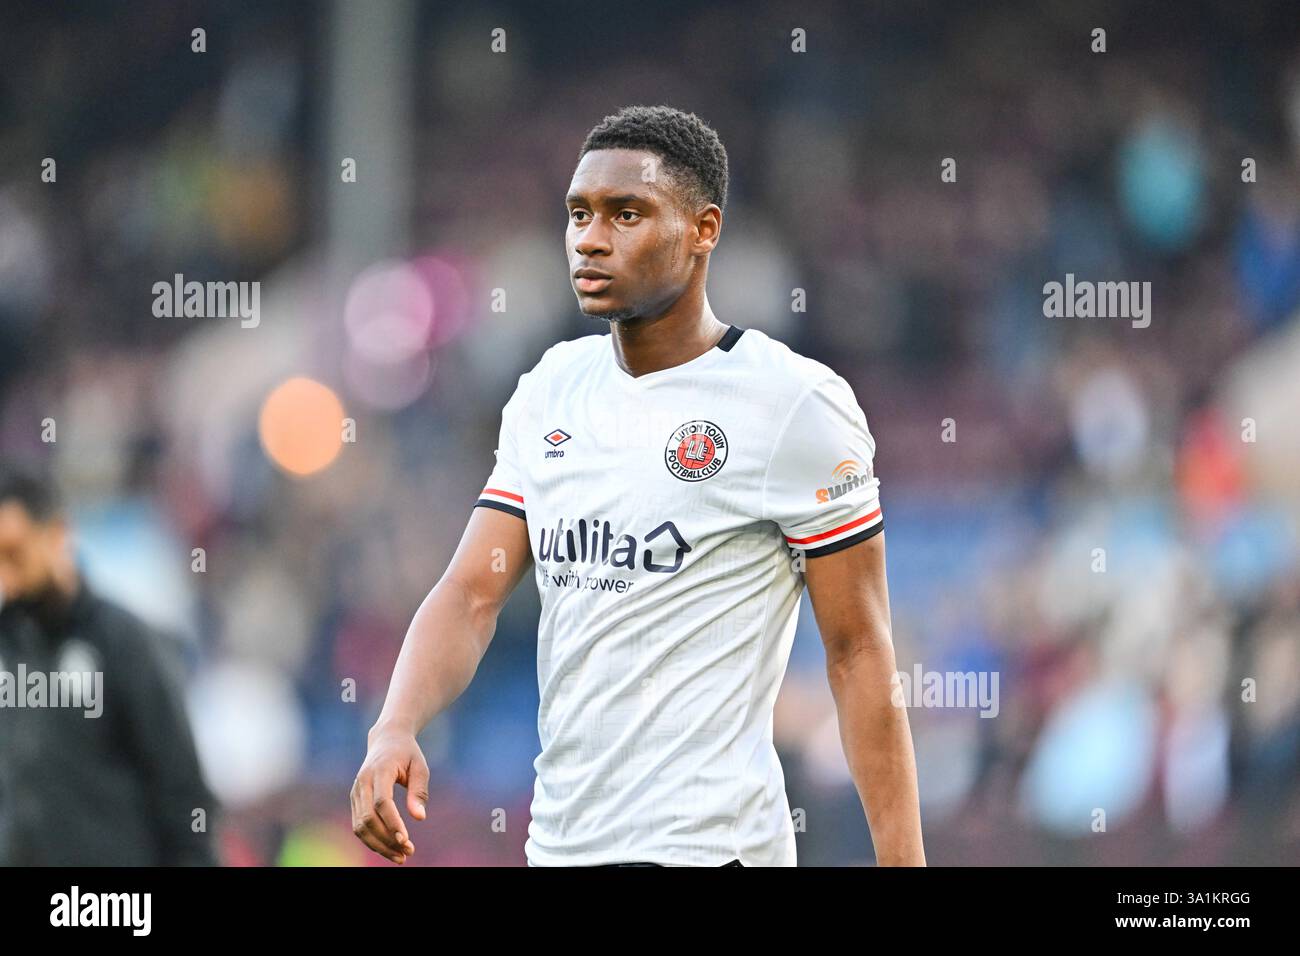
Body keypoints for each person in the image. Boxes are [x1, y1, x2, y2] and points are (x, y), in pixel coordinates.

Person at [352, 105, 925, 867]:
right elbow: (470, 594)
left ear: (704, 229)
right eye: (579, 214)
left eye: (627, 214)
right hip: (559, 848)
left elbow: (859, 653)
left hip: (713, 852)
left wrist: (903, 861)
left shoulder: (793, 406)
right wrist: (394, 725)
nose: (591, 237)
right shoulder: (551, 389)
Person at [0, 463, 218, 865]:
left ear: (57, 534)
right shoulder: (7, 644)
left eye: (14, 554)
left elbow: (184, 797)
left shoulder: (125, 643)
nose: (5, 577)